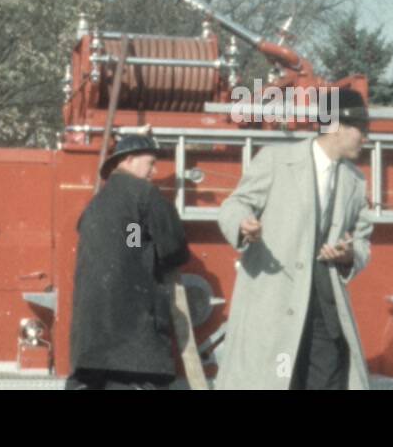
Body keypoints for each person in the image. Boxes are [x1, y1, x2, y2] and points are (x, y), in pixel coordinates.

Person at [216, 88, 375, 390]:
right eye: (361, 129)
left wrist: (349, 254)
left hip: (325, 312)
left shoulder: (356, 182)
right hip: (277, 307)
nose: (365, 138)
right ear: (337, 127)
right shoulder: (276, 159)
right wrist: (242, 224)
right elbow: (234, 204)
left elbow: (364, 242)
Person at [66, 134, 190, 390]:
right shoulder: (144, 194)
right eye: (151, 163)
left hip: (90, 348)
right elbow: (174, 249)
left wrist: (141, 244)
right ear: (129, 160)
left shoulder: (95, 205)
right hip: (134, 348)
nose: (154, 172)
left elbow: (130, 242)